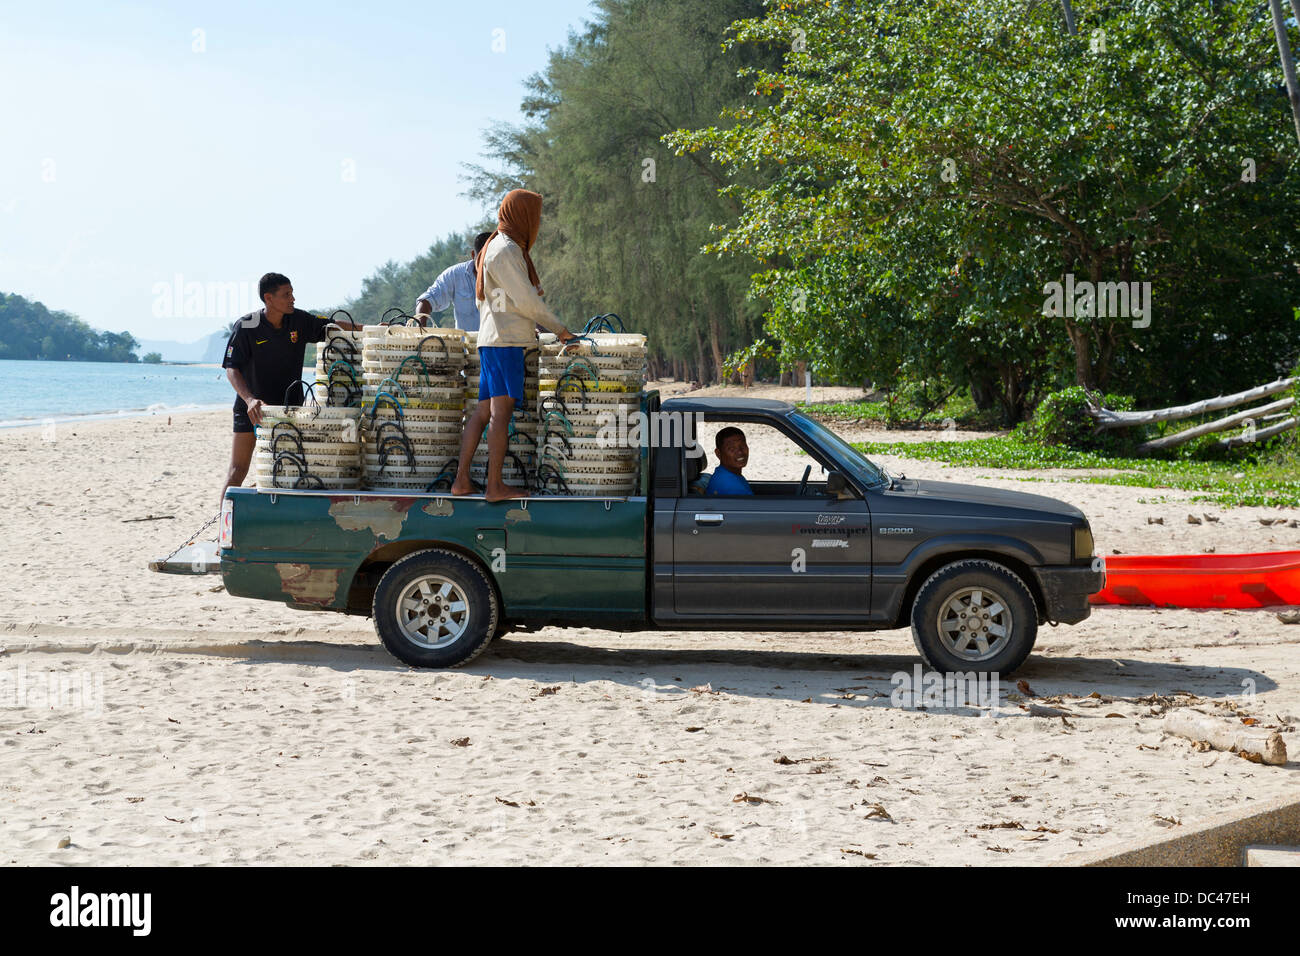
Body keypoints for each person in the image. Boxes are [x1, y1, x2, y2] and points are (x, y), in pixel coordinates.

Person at [450, 189, 574, 501]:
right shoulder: (506, 250)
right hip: (505, 344)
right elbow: (527, 300)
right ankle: (495, 487)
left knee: (482, 413)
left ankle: (462, 481)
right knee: (500, 415)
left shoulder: (496, 245)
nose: (537, 223)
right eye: (535, 216)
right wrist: (561, 331)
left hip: (492, 341)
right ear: (522, 216)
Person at [218, 272, 361, 503]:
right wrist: (249, 399)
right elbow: (231, 368)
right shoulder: (246, 325)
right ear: (269, 298)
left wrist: (371, 329)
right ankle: (223, 526)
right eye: (286, 295)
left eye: (292, 293)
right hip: (253, 409)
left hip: (289, 410)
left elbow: (333, 327)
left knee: (288, 469)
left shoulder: (299, 320)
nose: (292, 298)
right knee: (237, 470)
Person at [413, 231, 493, 331]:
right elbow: (427, 300)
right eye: (482, 259)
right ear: (473, 255)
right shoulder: (455, 275)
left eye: (491, 259)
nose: (486, 264)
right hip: (467, 345)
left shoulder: (507, 275)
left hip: (499, 345)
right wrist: (420, 330)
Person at [705, 426, 754, 496]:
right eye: (732, 448)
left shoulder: (722, 474)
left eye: (743, 446)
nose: (740, 452)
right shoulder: (733, 487)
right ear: (718, 453)